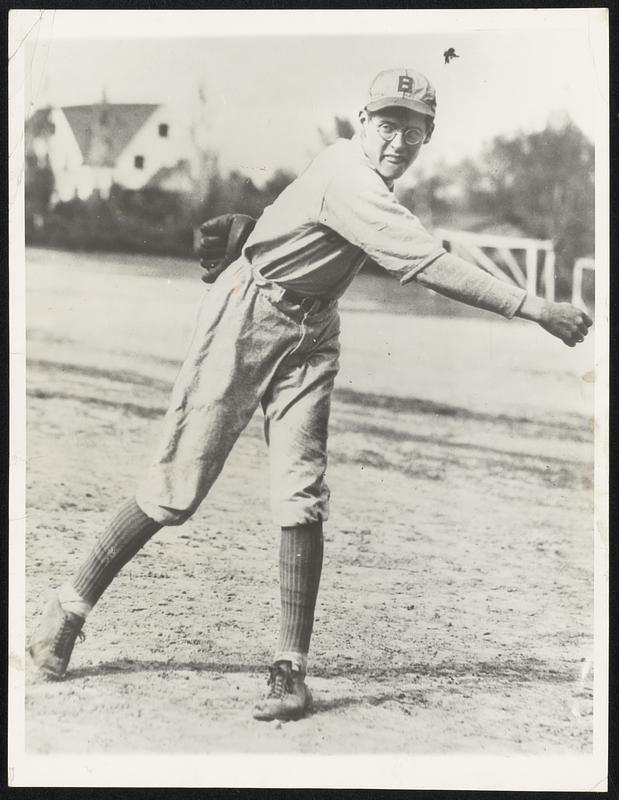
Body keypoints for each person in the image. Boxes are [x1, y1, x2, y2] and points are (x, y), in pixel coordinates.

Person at [28, 67, 592, 722]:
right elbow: (430, 264)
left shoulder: (354, 175)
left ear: (427, 137)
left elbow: (311, 216)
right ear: (364, 123)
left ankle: (289, 670)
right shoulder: (350, 176)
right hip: (248, 318)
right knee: (176, 488)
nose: (398, 141)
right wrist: (535, 308)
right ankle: (66, 610)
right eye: (388, 124)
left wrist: (262, 231)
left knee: (301, 492)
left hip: (314, 329)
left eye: (413, 131)